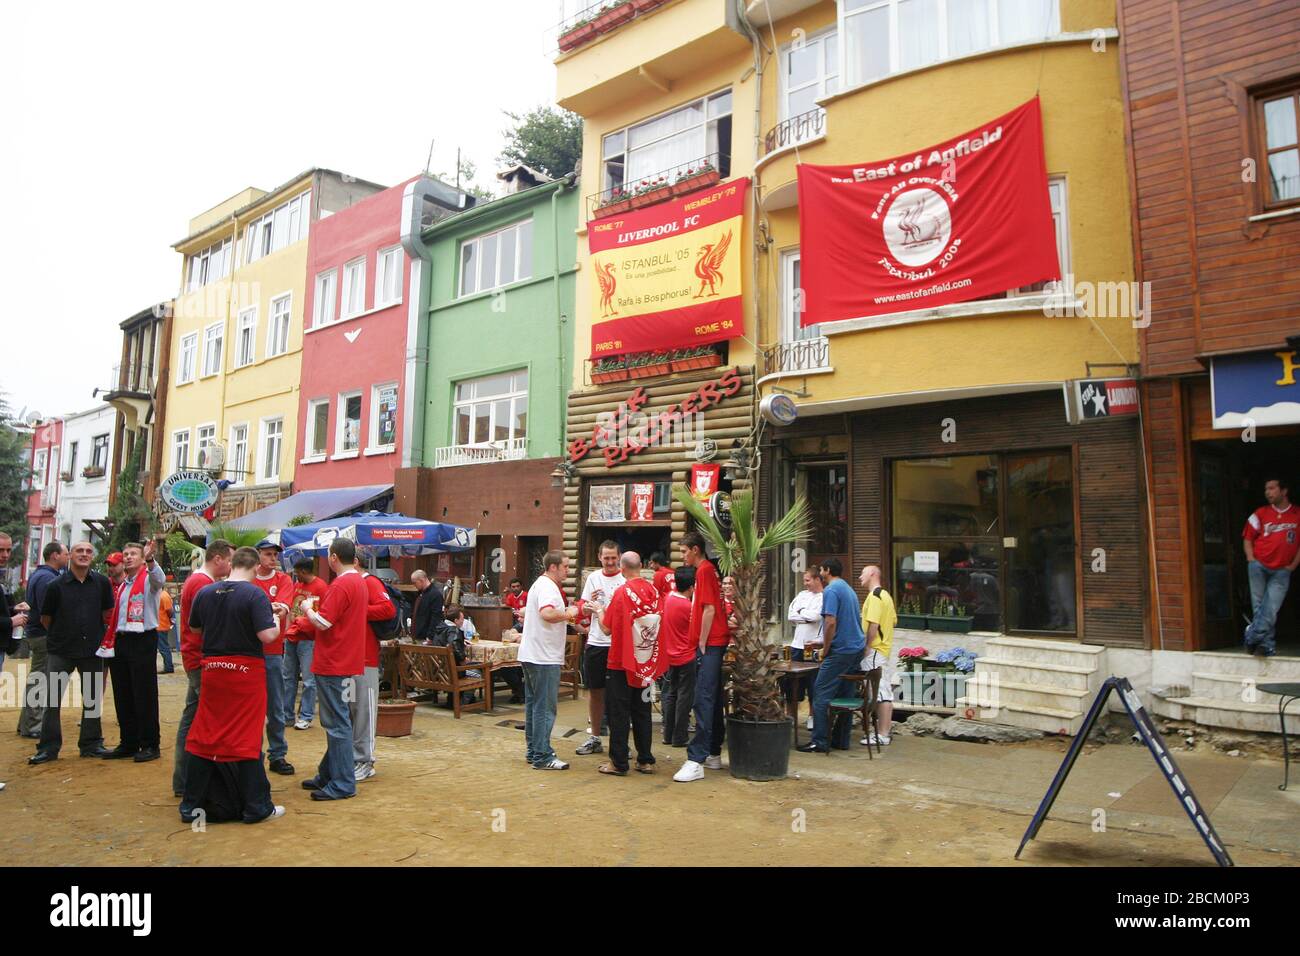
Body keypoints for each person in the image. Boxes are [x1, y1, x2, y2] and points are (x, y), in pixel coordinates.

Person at [180, 546, 284, 825]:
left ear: (232, 563)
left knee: (205, 732)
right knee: (246, 737)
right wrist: (276, 617)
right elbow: (267, 636)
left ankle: (190, 805)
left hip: (212, 668)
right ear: (253, 567)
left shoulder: (206, 592)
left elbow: (196, 629)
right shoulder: (254, 593)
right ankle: (256, 806)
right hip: (245, 671)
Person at [29, 541, 114, 763]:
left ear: (92, 557)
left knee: (92, 699)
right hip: (61, 650)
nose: (84, 555)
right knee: (53, 700)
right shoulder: (55, 586)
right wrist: (64, 634)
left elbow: (107, 613)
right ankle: (48, 747)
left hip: (92, 651)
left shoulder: (102, 583)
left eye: (88, 551)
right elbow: (46, 619)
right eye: (79, 551)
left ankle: (91, 743)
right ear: (70, 556)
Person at [299, 538, 368, 801]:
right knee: (341, 719)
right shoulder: (359, 582)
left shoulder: (341, 584)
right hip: (348, 660)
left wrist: (306, 609)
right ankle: (329, 773)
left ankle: (341, 782)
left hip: (333, 661)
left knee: (336, 722)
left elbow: (324, 622)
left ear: (334, 557)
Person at [597, 552, 666, 776]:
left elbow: (607, 629)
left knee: (619, 712)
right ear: (642, 566)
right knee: (642, 711)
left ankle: (618, 762)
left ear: (622, 567)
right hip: (645, 662)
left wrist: (599, 611)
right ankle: (645, 759)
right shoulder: (654, 592)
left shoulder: (622, 592)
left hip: (620, 663)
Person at [173, 539, 233, 796]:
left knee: (191, 716)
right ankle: (192, 781)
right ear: (217, 559)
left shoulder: (202, 582)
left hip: (195, 656)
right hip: (200, 658)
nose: (231, 566)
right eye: (229, 560)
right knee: (204, 720)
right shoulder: (202, 584)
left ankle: (184, 780)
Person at [673, 532, 731, 783]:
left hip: (711, 643)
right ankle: (713, 752)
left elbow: (709, 609)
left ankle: (696, 758)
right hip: (714, 642)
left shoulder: (704, 571)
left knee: (703, 698)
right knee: (713, 697)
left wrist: (702, 641)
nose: (682, 555)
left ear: (695, 550)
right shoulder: (708, 570)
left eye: (685, 551)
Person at [102, 540, 167, 762]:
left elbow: (160, 579)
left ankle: (150, 744)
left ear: (141, 559)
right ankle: (128, 742)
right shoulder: (122, 585)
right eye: (125, 553)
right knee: (123, 693)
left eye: (133, 554)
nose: (128, 557)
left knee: (144, 693)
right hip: (121, 640)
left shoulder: (148, 580)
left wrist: (150, 560)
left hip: (142, 639)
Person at [798, 558, 866, 754]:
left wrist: (825, 648)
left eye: (821, 570)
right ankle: (840, 739)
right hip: (855, 648)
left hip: (841, 650)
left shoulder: (831, 590)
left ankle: (819, 741)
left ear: (827, 571)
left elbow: (830, 622)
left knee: (820, 693)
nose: (820, 573)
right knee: (846, 691)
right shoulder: (848, 588)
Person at [519, 550, 578, 770]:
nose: (568, 570)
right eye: (565, 566)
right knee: (544, 707)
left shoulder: (540, 584)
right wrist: (570, 613)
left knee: (534, 705)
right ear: (553, 567)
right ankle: (542, 755)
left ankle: (534, 750)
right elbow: (547, 613)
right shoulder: (548, 587)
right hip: (543, 656)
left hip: (533, 653)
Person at [250, 539, 295, 776]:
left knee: (275, 705)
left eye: (275, 555)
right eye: (268, 554)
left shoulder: (284, 580)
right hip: (250, 652)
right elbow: (274, 609)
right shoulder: (250, 578)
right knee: (250, 706)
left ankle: (277, 754)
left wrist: (270, 608)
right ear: (258, 556)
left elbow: (283, 607)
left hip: (273, 652)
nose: (273, 559)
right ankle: (251, 753)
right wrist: (272, 608)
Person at [575, 540, 624, 757]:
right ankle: (595, 737)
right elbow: (583, 610)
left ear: (619, 557)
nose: (610, 562)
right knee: (595, 692)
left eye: (614, 558)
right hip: (596, 642)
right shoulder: (593, 578)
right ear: (599, 557)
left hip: (618, 644)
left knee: (618, 695)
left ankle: (619, 741)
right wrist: (588, 605)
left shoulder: (625, 580)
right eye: (606, 558)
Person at [1243, 477, 1299, 658]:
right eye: (1266, 489)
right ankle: (1265, 646)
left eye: (1272, 488)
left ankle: (1251, 636)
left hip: (1282, 569)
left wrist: (1293, 565)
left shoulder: (1297, 514)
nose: (1268, 492)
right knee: (1259, 607)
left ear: (1284, 491)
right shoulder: (1260, 513)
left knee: (1271, 607)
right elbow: (1248, 538)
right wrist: (1251, 559)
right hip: (1258, 565)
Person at [18, 541, 66, 738]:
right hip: (43, 635)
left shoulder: (39, 574)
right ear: (54, 555)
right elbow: (48, 610)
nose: (68, 556)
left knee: (36, 678)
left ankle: (26, 723)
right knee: (39, 680)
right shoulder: (48, 578)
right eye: (65, 553)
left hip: (36, 633)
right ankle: (33, 725)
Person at [353, 570, 395, 782]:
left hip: (366, 658)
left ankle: (365, 761)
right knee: (352, 710)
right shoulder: (350, 582)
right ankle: (354, 758)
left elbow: (387, 608)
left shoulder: (369, 581)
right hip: (350, 659)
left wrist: (355, 609)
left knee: (364, 712)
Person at [858, 564, 897, 747]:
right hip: (883, 649)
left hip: (875, 650)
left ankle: (882, 734)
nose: (860, 577)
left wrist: (866, 647)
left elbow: (873, 625)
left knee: (881, 690)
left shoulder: (874, 597)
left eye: (863, 573)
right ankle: (883, 732)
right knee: (882, 689)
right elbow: (893, 621)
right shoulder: (886, 596)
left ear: (872, 574)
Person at [283, 558, 325, 730]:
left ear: (305, 571)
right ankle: (287, 715)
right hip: (292, 636)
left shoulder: (321, 587)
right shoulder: (296, 585)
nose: (296, 575)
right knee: (288, 678)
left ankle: (306, 716)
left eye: (298, 572)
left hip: (309, 639)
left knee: (308, 680)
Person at [659, 565, 696, 748]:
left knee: (671, 694)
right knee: (684, 696)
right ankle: (679, 736)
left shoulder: (668, 599)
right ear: (691, 587)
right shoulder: (688, 606)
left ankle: (668, 734)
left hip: (669, 654)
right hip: (686, 655)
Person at [787, 569, 824, 727]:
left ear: (817, 579)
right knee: (792, 684)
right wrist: (806, 617)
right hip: (797, 645)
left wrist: (801, 612)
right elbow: (790, 615)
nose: (805, 583)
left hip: (813, 646)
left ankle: (812, 716)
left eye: (808, 580)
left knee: (813, 683)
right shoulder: (802, 595)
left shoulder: (823, 597)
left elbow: (817, 617)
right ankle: (791, 717)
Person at [410, 570, 444, 642]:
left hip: (425, 637)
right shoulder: (420, 594)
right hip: (416, 635)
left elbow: (436, 617)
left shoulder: (435, 595)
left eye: (414, 583)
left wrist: (430, 636)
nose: (414, 585)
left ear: (421, 580)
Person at [156, 588, 175, 674]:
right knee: (163, 647)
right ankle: (168, 666)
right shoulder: (162, 595)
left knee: (163, 648)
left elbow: (170, 611)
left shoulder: (163, 596)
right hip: (160, 625)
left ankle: (168, 667)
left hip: (161, 626)